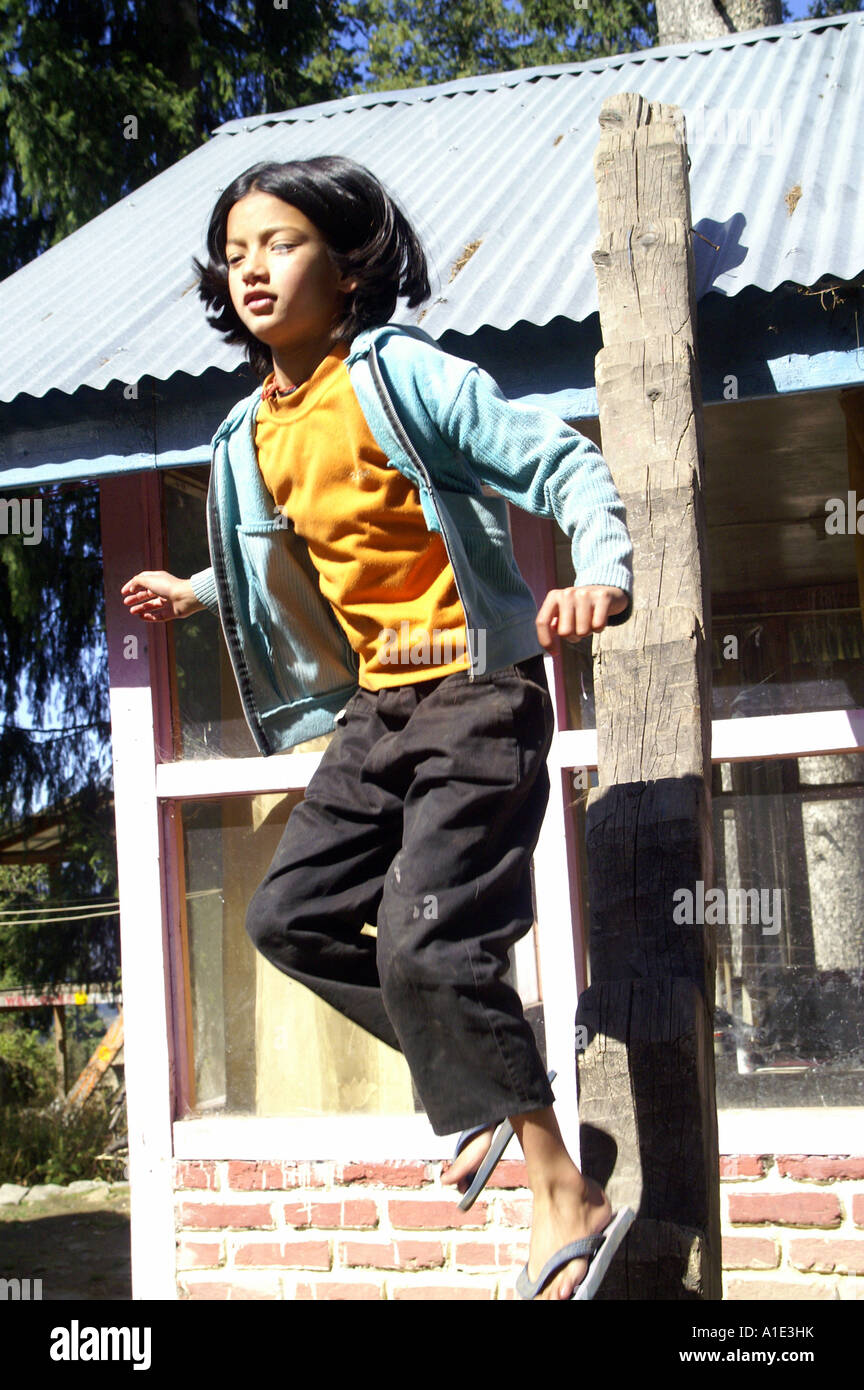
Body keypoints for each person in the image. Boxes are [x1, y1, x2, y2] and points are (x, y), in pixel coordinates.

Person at [122, 155, 635, 1300]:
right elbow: (297, 552)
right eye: (237, 251)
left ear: (348, 268)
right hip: (377, 710)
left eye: (283, 244)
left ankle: (570, 1189)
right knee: (288, 918)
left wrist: (599, 570)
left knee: (424, 941)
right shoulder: (248, 431)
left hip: (476, 694)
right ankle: (478, 1055)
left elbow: (557, 460)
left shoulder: (399, 377)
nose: (254, 268)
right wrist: (197, 589)